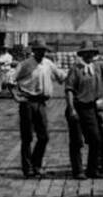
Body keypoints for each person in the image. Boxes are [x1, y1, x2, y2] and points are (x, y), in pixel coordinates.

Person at [13, 44, 65, 177]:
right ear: (34, 51)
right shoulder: (26, 64)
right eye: (38, 50)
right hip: (27, 102)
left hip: (41, 102)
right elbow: (11, 79)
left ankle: (36, 164)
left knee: (44, 136)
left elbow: (61, 76)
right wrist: (16, 96)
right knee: (27, 137)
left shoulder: (48, 63)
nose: (41, 53)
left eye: (43, 51)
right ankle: (27, 168)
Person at [65, 45, 103, 179]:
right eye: (86, 53)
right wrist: (71, 109)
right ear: (82, 55)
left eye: (91, 53)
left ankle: (92, 169)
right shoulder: (76, 69)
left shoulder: (97, 68)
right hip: (77, 107)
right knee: (77, 141)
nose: (89, 56)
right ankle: (78, 171)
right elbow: (69, 89)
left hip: (90, 108)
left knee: (96, 139)